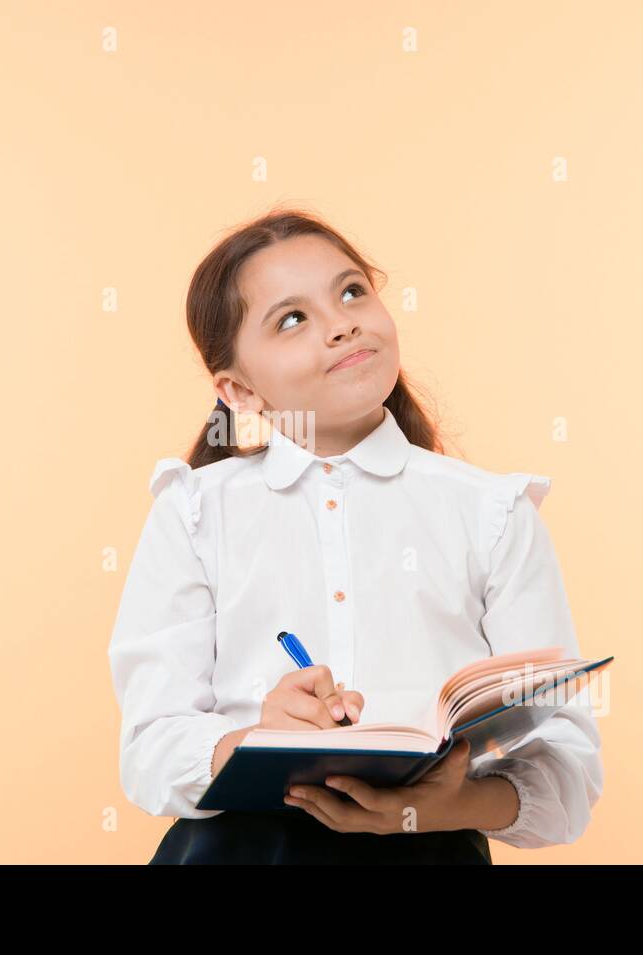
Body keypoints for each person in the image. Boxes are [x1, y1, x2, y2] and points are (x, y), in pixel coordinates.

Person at [107, 207, 603, 864]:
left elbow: (567, 769)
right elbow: (148, 750)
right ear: (238, 390)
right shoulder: (194, 511)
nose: (342, 323)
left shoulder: (494, 511)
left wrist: (444, 805)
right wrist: (256, 739)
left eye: (351, 291)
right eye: (292, 318)